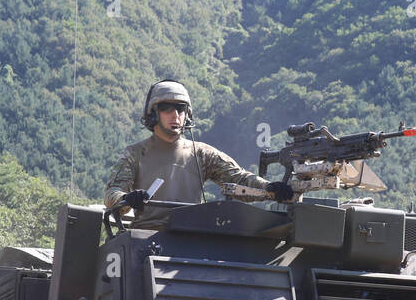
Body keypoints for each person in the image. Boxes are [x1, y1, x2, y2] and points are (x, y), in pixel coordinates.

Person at [104, 80, 293, 212]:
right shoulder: (135, 153)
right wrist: (128, 199)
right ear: (154, 114)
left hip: (191, 236)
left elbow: (238, 178)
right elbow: (112, 194)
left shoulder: (202, 153)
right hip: (145, 234)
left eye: (180, 109)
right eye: (166, 108)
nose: (175, 115)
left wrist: (270, 187)